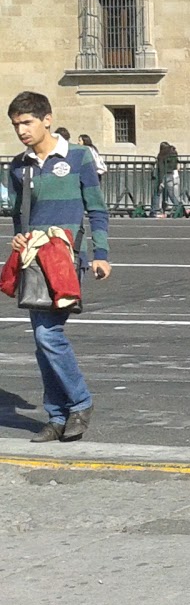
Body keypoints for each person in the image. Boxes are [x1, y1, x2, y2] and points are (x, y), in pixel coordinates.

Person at [6, 92, 111, 442]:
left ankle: (80, 402)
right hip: (33, 261)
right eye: (16, 124)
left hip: (65, 259)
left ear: (47, 119)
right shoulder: (17, 166)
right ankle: (55, 416)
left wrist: (101, 253)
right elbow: (19, 215)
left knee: (47, 335)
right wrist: (20, 239)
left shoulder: (78, 157)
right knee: (42, 340)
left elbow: (96, 209)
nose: (21, 130)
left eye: (27, 122)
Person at [153, 141, 180, 217]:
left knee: (157, 192)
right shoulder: (173, 153)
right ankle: (179, 207)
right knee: (171, 193)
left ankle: (155, 210)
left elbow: (161, 168)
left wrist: (161, 181)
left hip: (164, 175)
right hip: (171, 174)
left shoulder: (162, 154)